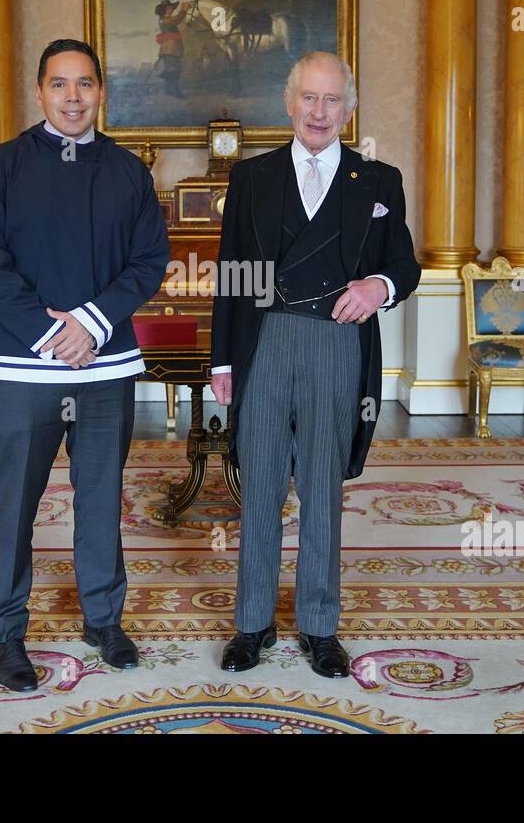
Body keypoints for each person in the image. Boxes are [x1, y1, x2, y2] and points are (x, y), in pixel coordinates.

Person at [0, 37, 169, 690]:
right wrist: (52, 336)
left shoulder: (129, 171)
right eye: (60, 84)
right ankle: (6, 634)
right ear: (39, 91)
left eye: (85, 84)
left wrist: (94, 324)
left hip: (106, 365)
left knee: (102, 495)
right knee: (14, 502)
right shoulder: (1, 167)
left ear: (101, 91)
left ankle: (103, 619)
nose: (73, 96)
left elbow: (148, 260)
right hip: (27, 367)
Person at [209, 50, 421, 678]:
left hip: (338, 343)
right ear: (289, 102)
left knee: (324, 488)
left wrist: (377, 287)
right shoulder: (252, 177)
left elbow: (405, 265)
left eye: (332, 100)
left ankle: (320, 627)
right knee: (262, 488)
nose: (319, 111)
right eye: (309, 97)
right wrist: (223, 359)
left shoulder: (378, 180)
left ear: (349, 108)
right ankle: (252, 624)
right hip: (266, 341)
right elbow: (233, 274)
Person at [153, 0, 191, 99]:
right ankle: (176, 92)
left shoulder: (165, 19)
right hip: (170, 49)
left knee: (170, 70)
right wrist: (184, 10)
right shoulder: (165, 20)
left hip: (171, 48)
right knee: (174, 70)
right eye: (168, 8)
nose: (171, 10)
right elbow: (177, 20)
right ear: (164, 10)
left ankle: (168, 90)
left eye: (171, 8)